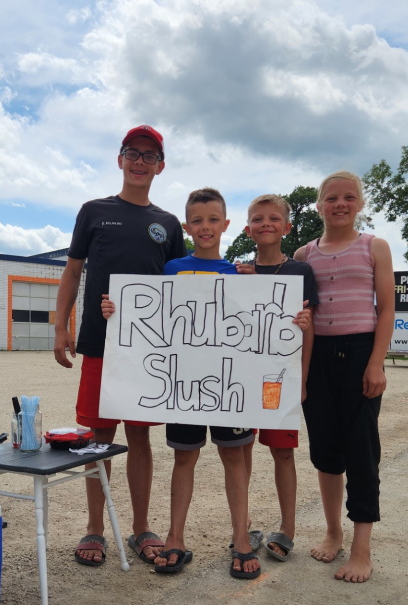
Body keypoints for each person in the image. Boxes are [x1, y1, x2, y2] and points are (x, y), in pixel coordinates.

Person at [104, 187, 260, 578]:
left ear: (225, 225)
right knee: (184, 457)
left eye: (212, 220)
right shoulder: (171, 270)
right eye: (197, 221)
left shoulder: (241, 275)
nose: (205, 227)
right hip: (183, 385)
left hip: (227, 384)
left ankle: (241, 538)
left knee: (234, 457)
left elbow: (259, 327)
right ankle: (176, 537)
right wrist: (117, 309)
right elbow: (152, 317)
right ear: (186, 226)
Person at [54, 125, 186, 567]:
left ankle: (140, 528)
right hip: (100, 343)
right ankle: (95, 528)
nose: (140, 162)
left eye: (150, 156)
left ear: (160, 167)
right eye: (133, 153)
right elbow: (72, 273)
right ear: (120, 159)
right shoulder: (94, 212)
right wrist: (61, 327)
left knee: (141, 437)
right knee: (98, 439)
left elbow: (182, 288)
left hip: (147, 351)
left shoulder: (167, 224)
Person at [293, 171, 395, 583]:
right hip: (317, 358)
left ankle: (361, 548)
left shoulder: (375, 247)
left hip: (359, 355)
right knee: (326, 451)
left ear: (360, 204)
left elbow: (386, 309)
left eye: (348, 197)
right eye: (331, 198)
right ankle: (333, 532)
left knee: (362, 452)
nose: (340, 204)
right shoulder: (304, 255)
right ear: (318, 205)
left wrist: (375, 363)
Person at [239, 194, 319, 563]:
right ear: (248, 228)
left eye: (273, 218)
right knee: (239, 452)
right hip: (239, 378)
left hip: (279, 379)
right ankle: (243, 526)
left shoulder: (300, 273)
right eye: (258, 219)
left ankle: (287, 529)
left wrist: (301, 379)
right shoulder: (236, 273)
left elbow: (308, 328)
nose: (265, 224)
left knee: (282, 452)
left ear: (286, 228)